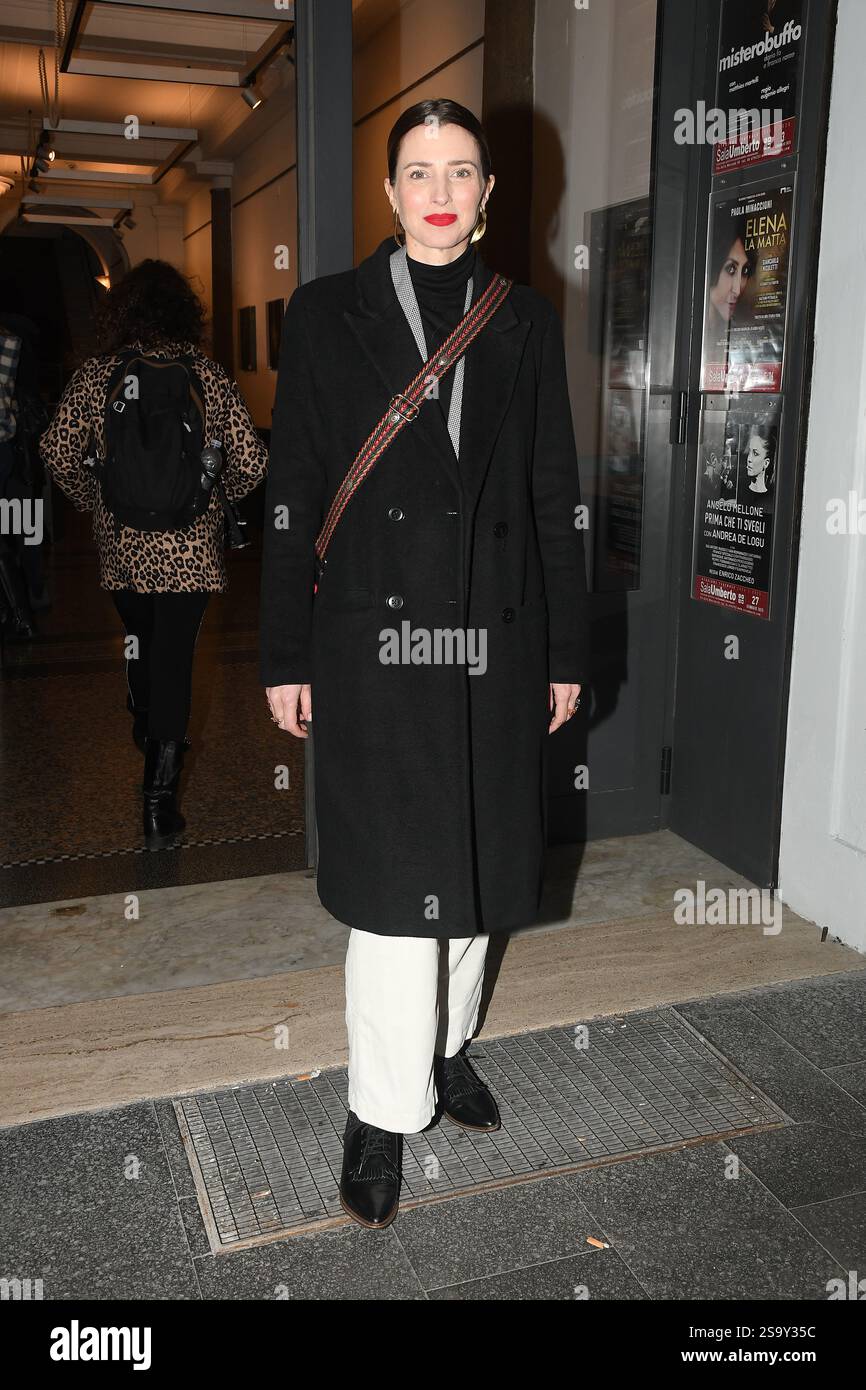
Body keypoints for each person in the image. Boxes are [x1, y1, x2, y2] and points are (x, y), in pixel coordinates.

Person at [260, 98, 589, 1228]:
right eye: (417, 170)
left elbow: (552, 493)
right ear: (390, 192)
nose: (439, 188)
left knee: (478, 866)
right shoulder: (324, 314)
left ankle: (448, 1051)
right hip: (374, 640)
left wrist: (563, 651)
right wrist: (282, 650)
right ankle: (379, 1105)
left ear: (487, 193)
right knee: (397, 895)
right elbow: (292, 489)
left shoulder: (523, 321)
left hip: (493, 639)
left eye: (460, 170)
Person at [40, 259, 266, 847]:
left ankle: (146, 721)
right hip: (190, 551)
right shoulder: (208, 376)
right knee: (175, 660)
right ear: (183, 313)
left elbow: (57, 452)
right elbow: (250, 464)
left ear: (123, 313)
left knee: (141, 645)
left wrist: (96, 499)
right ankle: (158, 804)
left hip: (124, 549)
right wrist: (216, 496)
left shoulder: (97, 375)